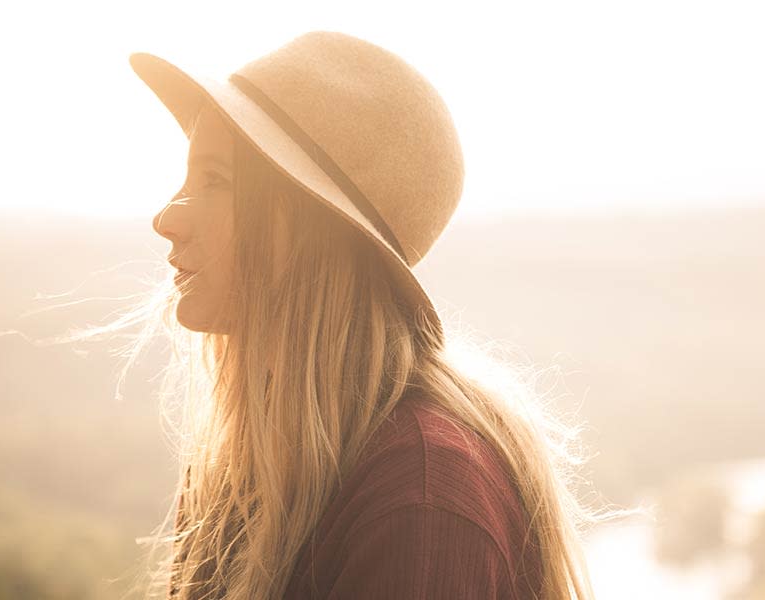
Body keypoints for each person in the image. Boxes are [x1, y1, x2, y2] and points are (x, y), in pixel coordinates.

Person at [127, 32, 606, 599]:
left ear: (310, 228)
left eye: (215, 181)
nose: (167, 218)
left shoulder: (421, 499)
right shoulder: (250, 464)